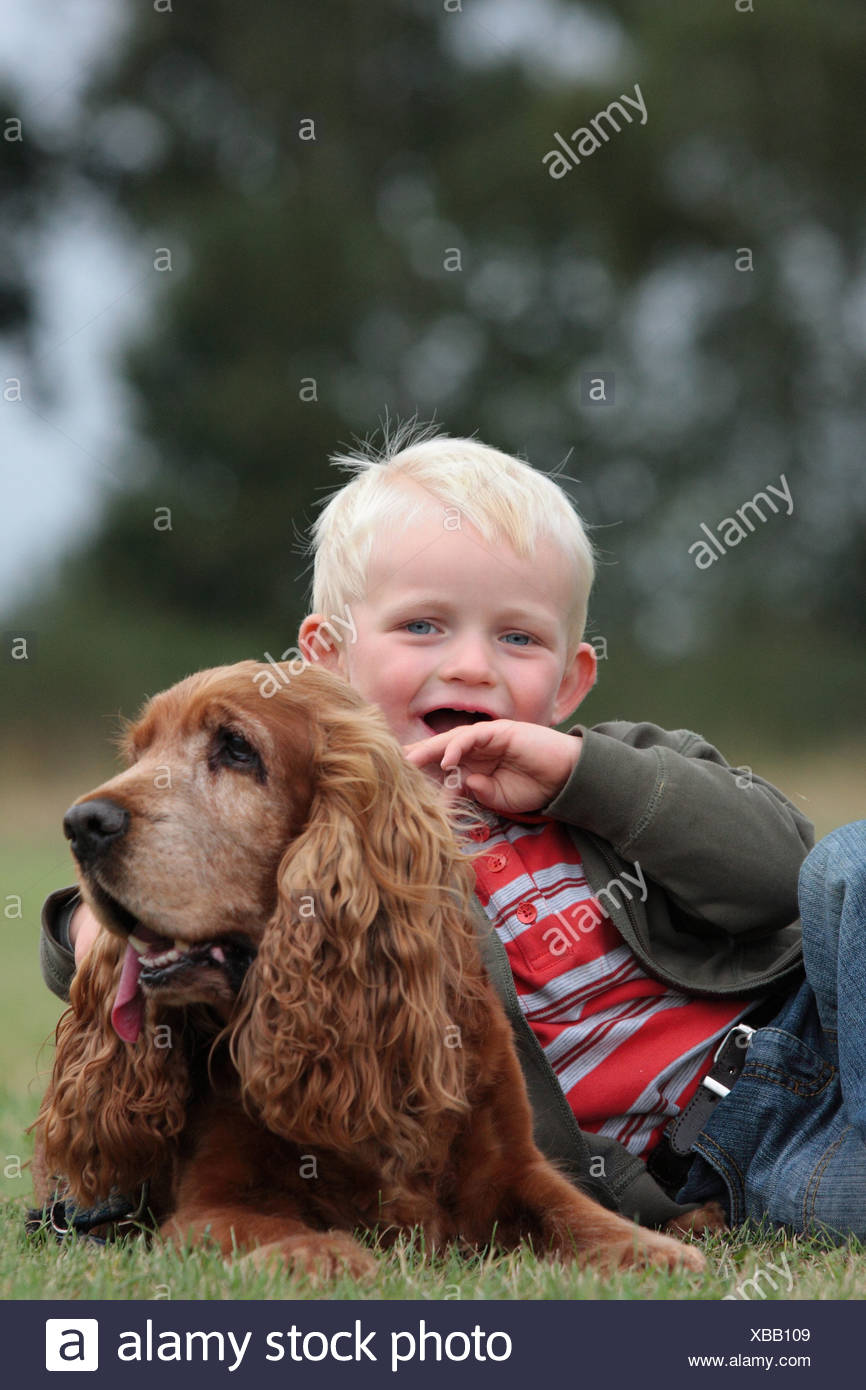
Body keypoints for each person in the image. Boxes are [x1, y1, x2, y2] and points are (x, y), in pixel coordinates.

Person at [44, 424, 848, 1239]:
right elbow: (199, 895)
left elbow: (789, 873)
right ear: (326, 657)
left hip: (817, 1029)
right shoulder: (327, 833)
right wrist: (93, 921)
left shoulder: (621, 766)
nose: (471, 665)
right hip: (758, 1161)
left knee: (851, 867)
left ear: (572, 680)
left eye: (519, 637)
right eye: (423, 626)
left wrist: (585, 778)